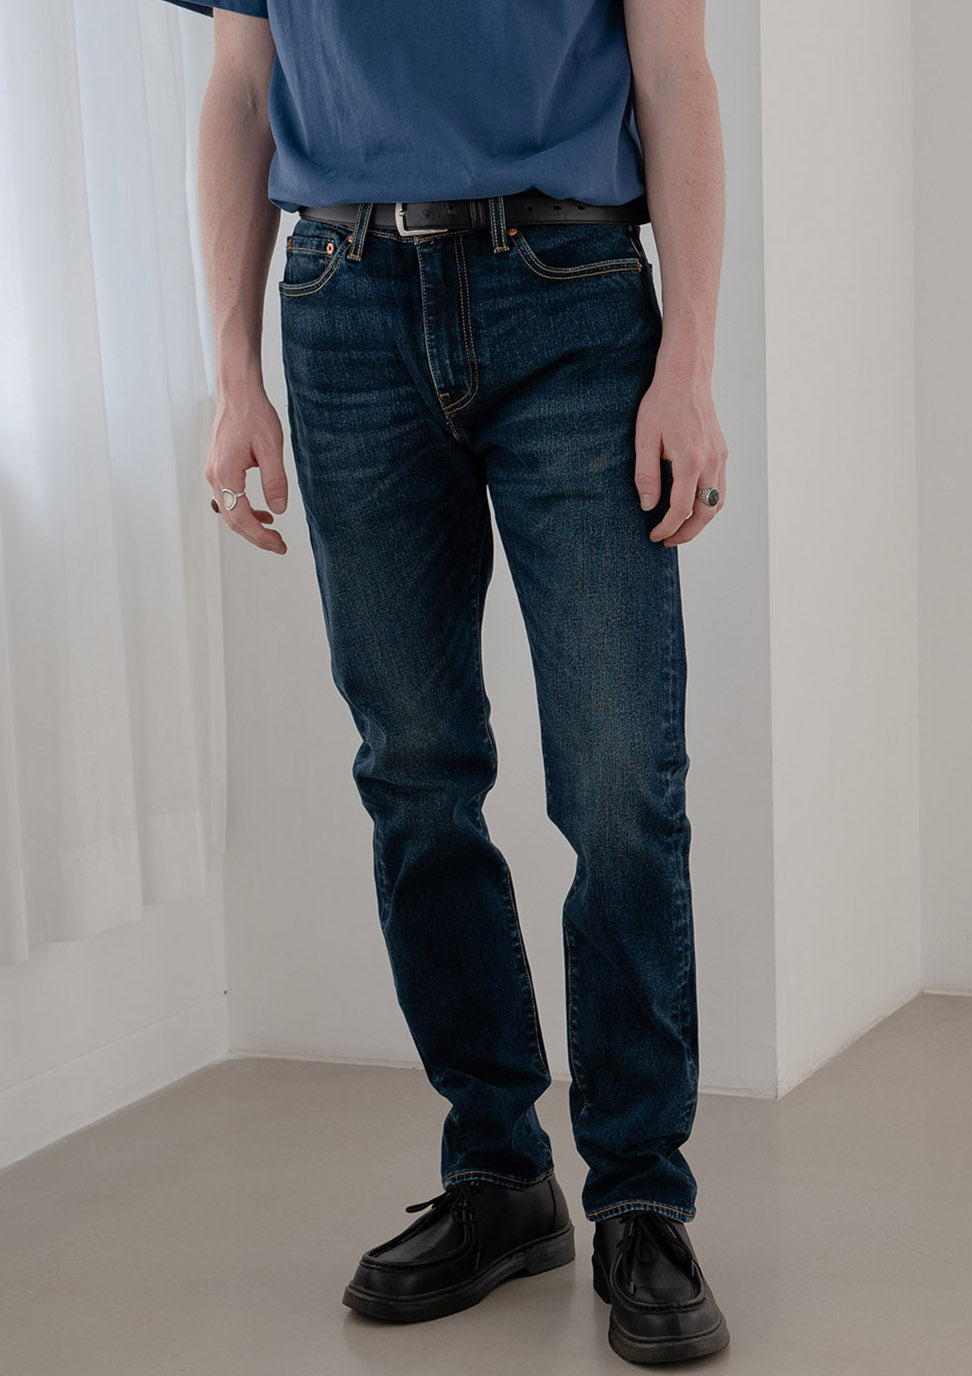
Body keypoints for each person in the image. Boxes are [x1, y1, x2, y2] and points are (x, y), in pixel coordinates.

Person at [163, 0, 730, 1362]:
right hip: (343, 305)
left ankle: (641, 1196)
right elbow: (242, 85)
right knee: (415, 775)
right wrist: (231, 367)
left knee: (619, 784)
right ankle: (498, 1172)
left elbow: (673, 71)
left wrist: (691, 366)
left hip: (575, 293)